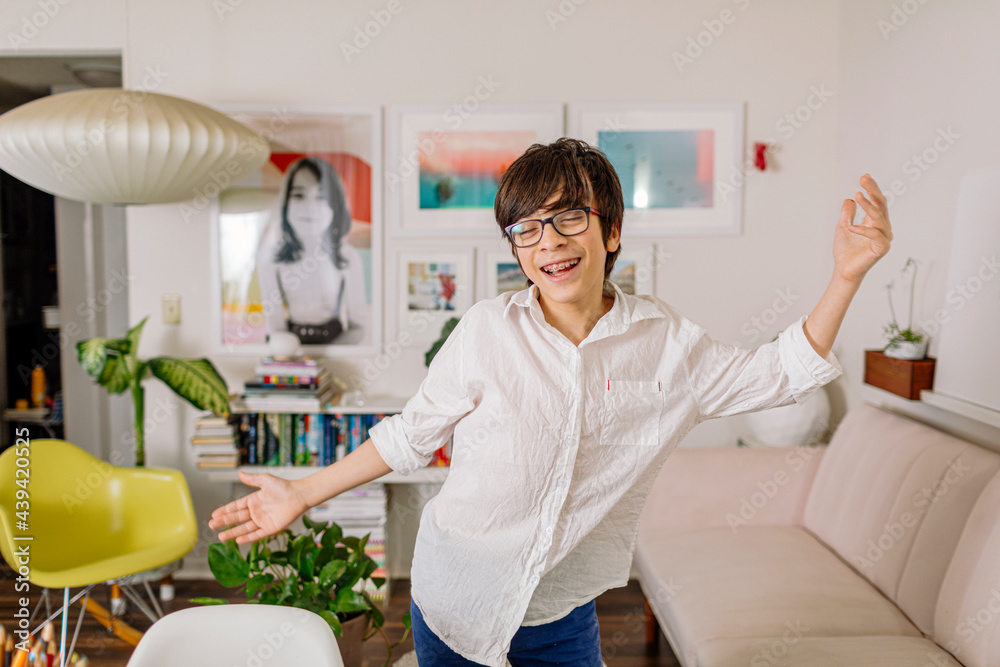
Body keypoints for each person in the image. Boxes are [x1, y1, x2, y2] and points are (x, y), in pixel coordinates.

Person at [211, 138, 892, 666]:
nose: (549, 243)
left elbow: (781, 373)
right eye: (527, 228)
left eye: (568, 216)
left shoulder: (667, 345)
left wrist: (845, 276)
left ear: (612, 230)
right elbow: (408, 436)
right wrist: (300, 494)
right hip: (454, 595)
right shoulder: (484, 330)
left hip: (561, 612)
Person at [256, 156, 367, 345]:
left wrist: (332, 357)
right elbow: (275, 323)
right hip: (289, 346)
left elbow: (358, 327)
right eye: (299, 196)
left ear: (335, 206)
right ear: (285, 203)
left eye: (321, 197)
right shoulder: (270, 257)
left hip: (336, 342)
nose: (310, 207)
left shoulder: (348, 256)